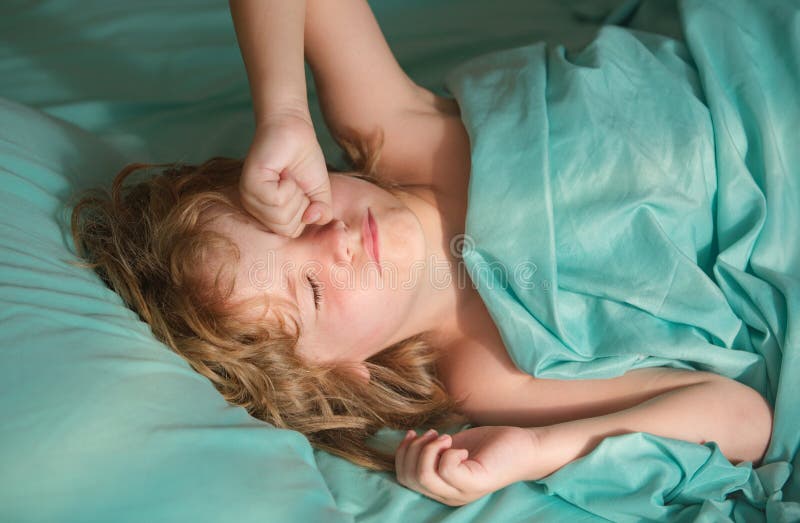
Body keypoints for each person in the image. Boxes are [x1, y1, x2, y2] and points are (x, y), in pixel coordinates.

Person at [70, 0, 773, 507]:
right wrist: (536, 451)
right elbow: (740, 417)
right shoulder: (485, 372)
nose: (335, 241)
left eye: (292, 214)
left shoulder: (393, 131)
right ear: (340, 373)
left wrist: (281, 111)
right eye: (313, 290)